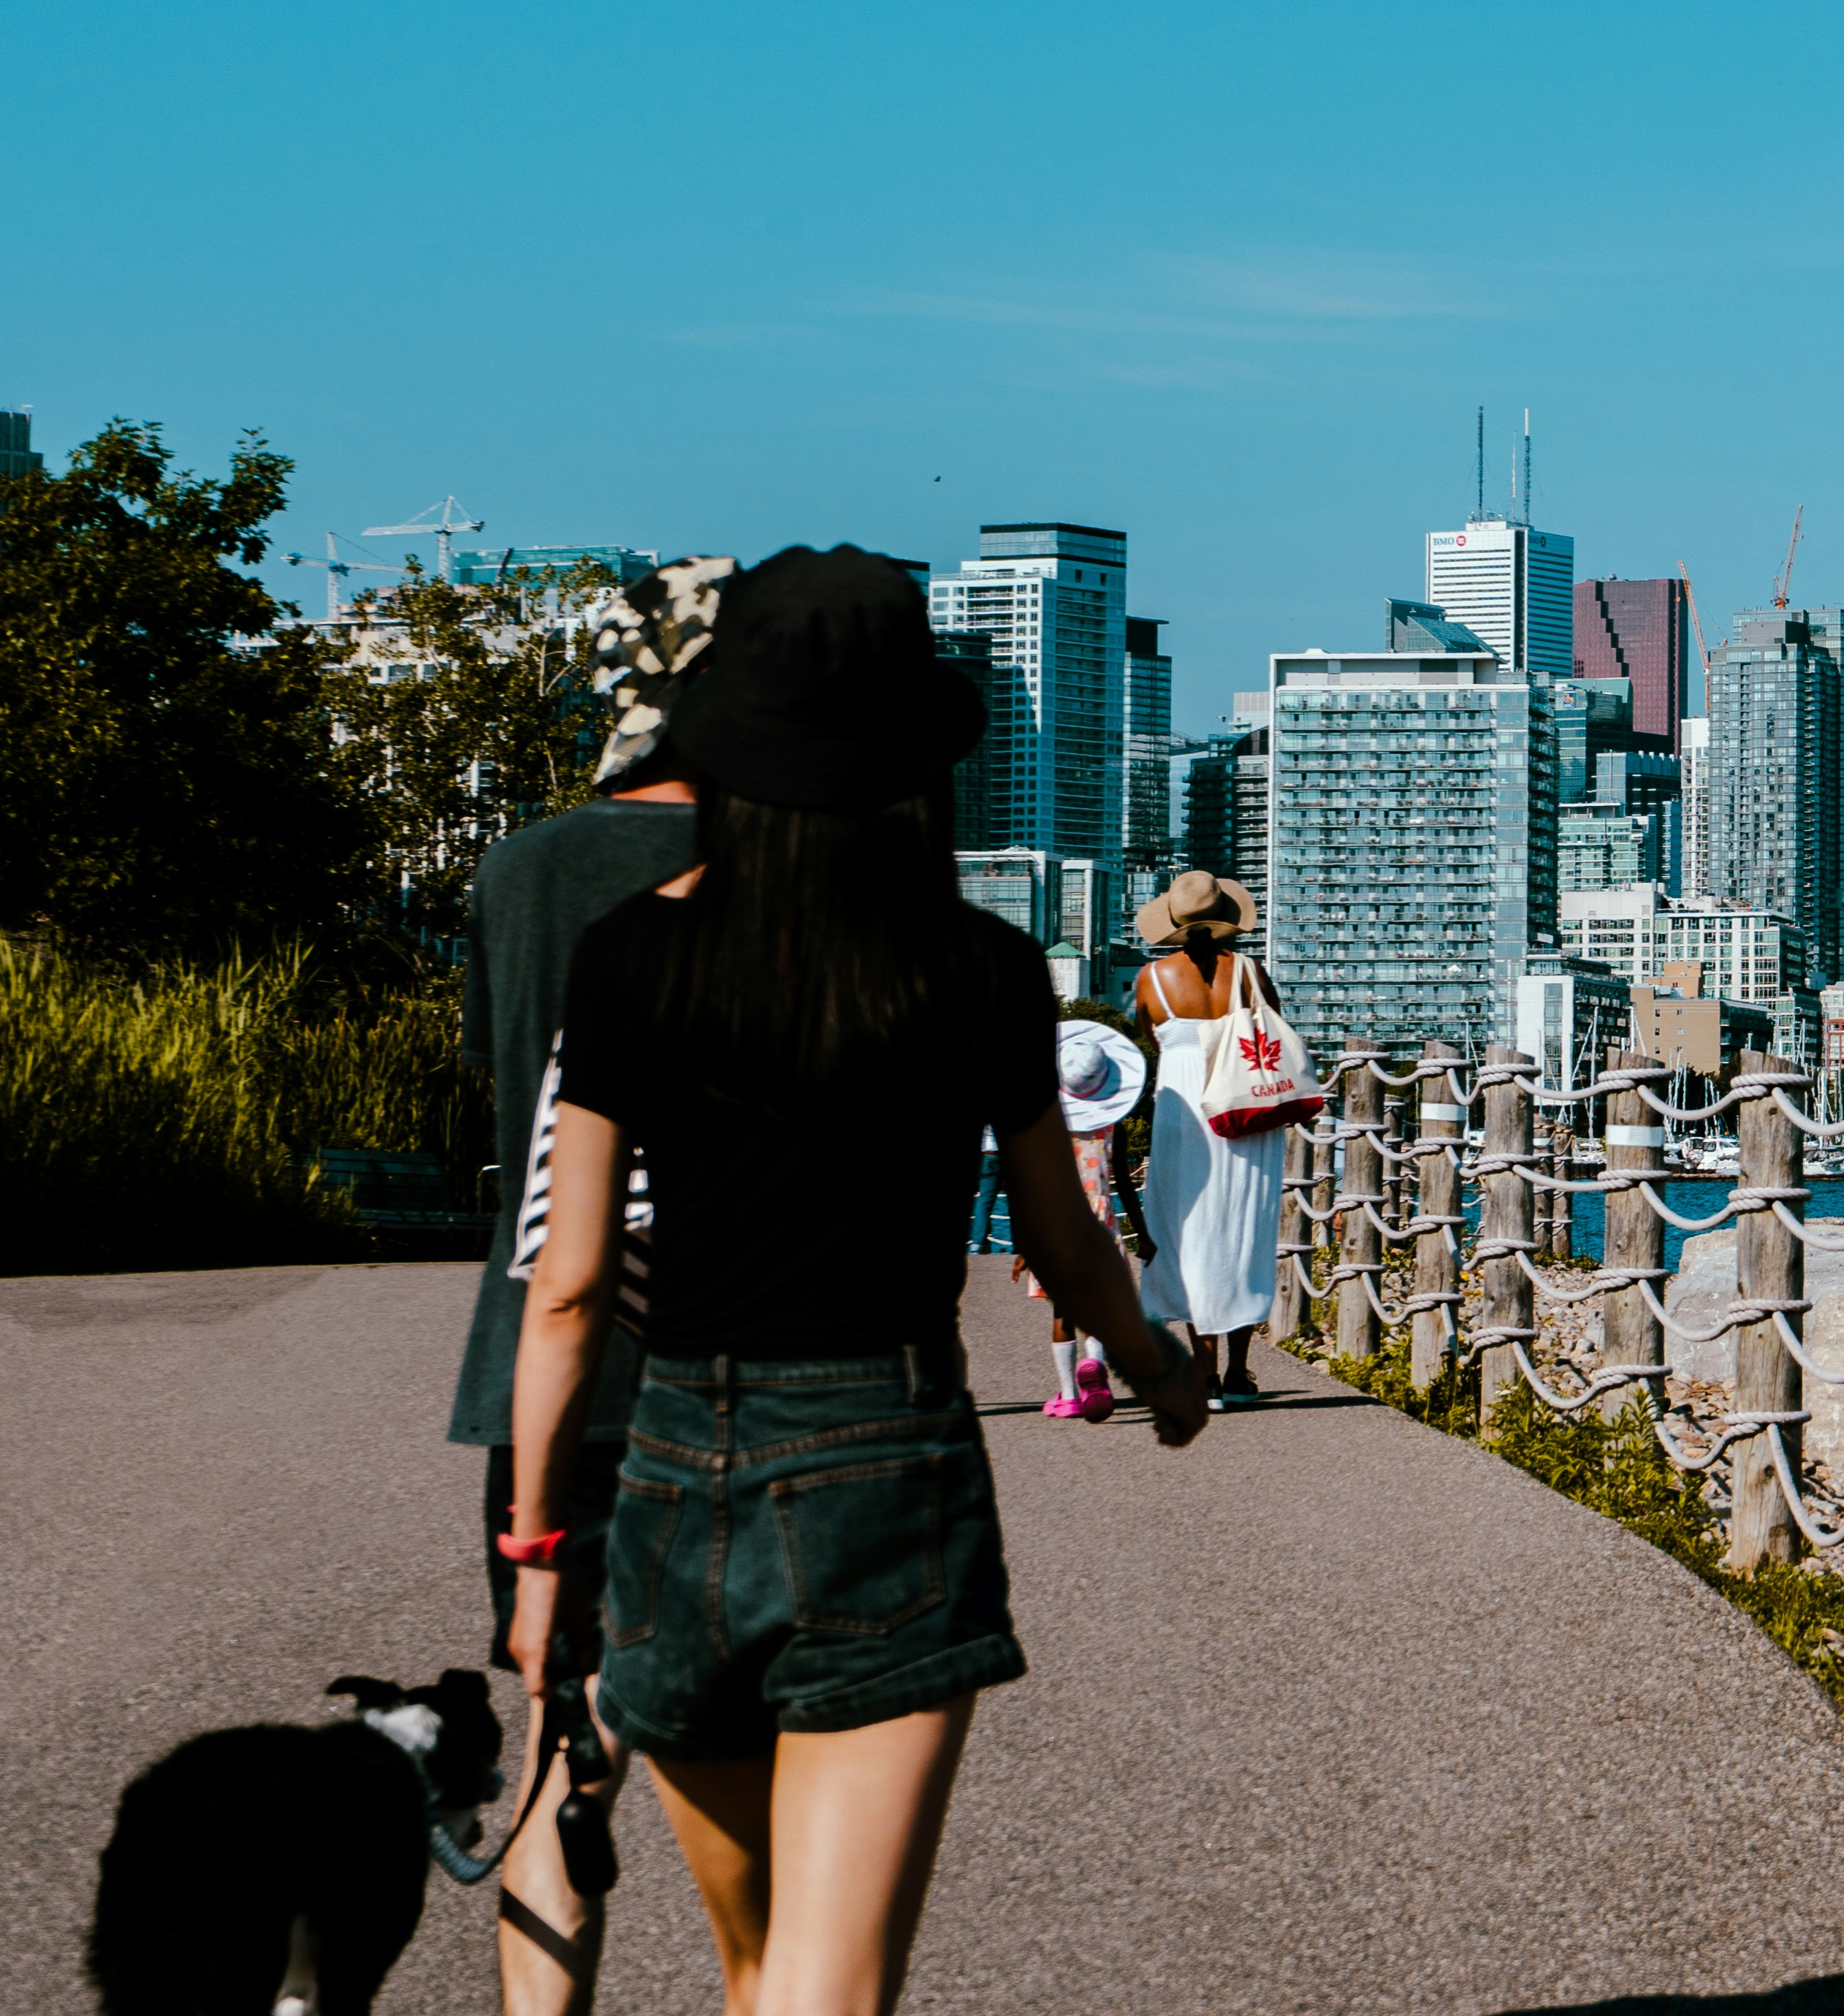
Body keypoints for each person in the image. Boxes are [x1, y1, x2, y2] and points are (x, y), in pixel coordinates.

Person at [505, 546, 1205, 2016]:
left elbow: (566, 1285)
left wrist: (535, 1544)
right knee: (828, 1986)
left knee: (756, 1958)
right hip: (884, 1458)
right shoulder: (985, 969)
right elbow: (1061, 1240)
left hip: (679, 1470)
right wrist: (1158, 1373)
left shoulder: (626, 956)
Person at [444, 552, 734, 2015]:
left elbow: (500, 1091)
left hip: (542, 1370)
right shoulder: (780, 865)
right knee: (760, 1772)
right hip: (741, 1358)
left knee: (566, 1756)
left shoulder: (519, 868)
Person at [1130, 870, 1289, 1399]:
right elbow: (1276, 1035)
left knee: (1192, 1235)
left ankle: (1203, 1371)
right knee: (1242, 1232)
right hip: (1242, 1111)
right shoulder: (1250, 971)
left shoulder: (1151, 980)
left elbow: (1151, 1040)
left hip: (1182, 1116)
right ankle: (1238, 1374)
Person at [1024, 1018, 1148, 1418]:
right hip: (1101, 1226)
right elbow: (1126, 1187)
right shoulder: (1112, 1127)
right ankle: (1093, 1366)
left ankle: (1069, 1396)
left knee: (1064, 1310)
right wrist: (1143, 1234)